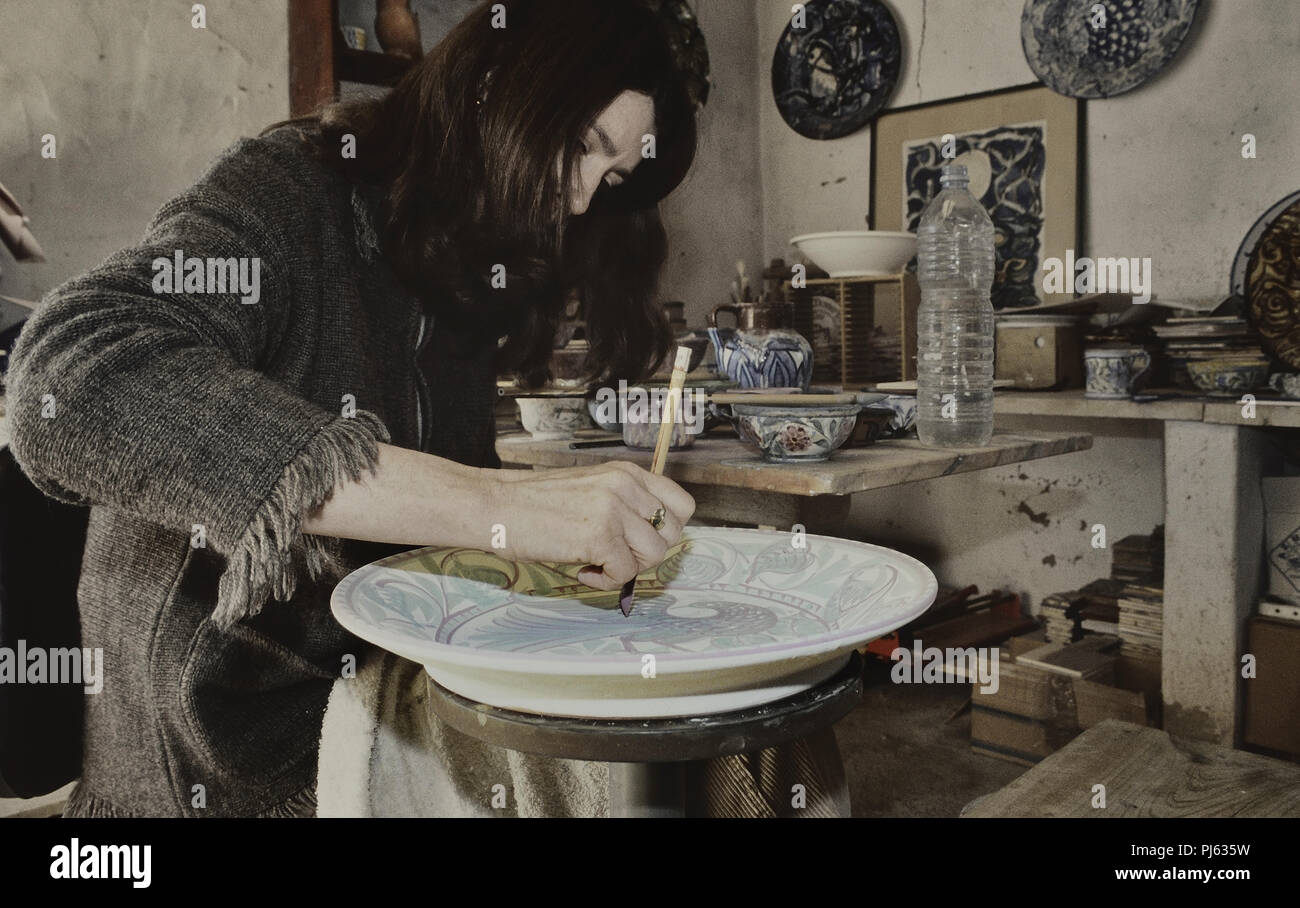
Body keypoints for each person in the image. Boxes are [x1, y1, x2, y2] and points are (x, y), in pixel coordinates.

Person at [6, 0, 846, 817]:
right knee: (620, 757)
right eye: (579, 146)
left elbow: (424, 532)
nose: (585, 200)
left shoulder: (471, 261)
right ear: (496, 91)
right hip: (230, 729)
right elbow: (68, 378)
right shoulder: (291, 189)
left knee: (745, 705)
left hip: (375, 662)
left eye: (614, 175)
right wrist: (496, 503)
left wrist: (552, 561)